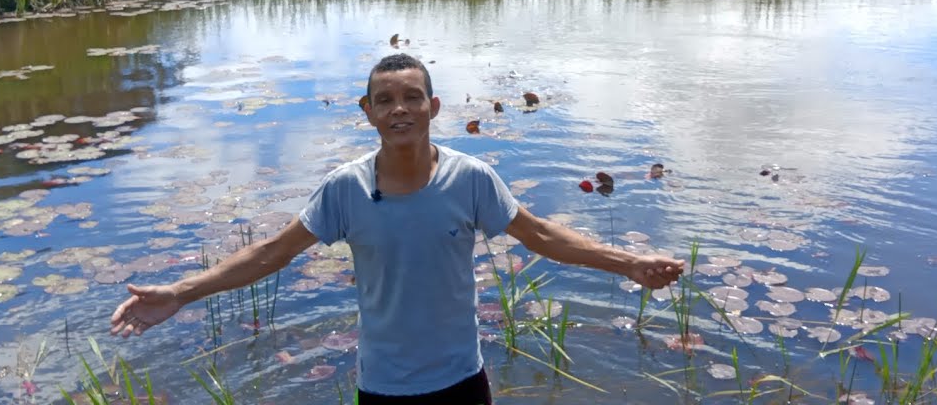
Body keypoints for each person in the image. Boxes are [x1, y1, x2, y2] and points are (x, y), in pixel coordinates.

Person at [110, 53, 685, 404]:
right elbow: (270, 253)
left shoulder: (472, 179)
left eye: (412, 97)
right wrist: (180, 293)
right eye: (385, 100)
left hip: (462, 379)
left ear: (434, 107)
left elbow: (542, 236)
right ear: (367, 111)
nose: (399, 109)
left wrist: (628, 263)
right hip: (383, 386)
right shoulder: (345, 189)